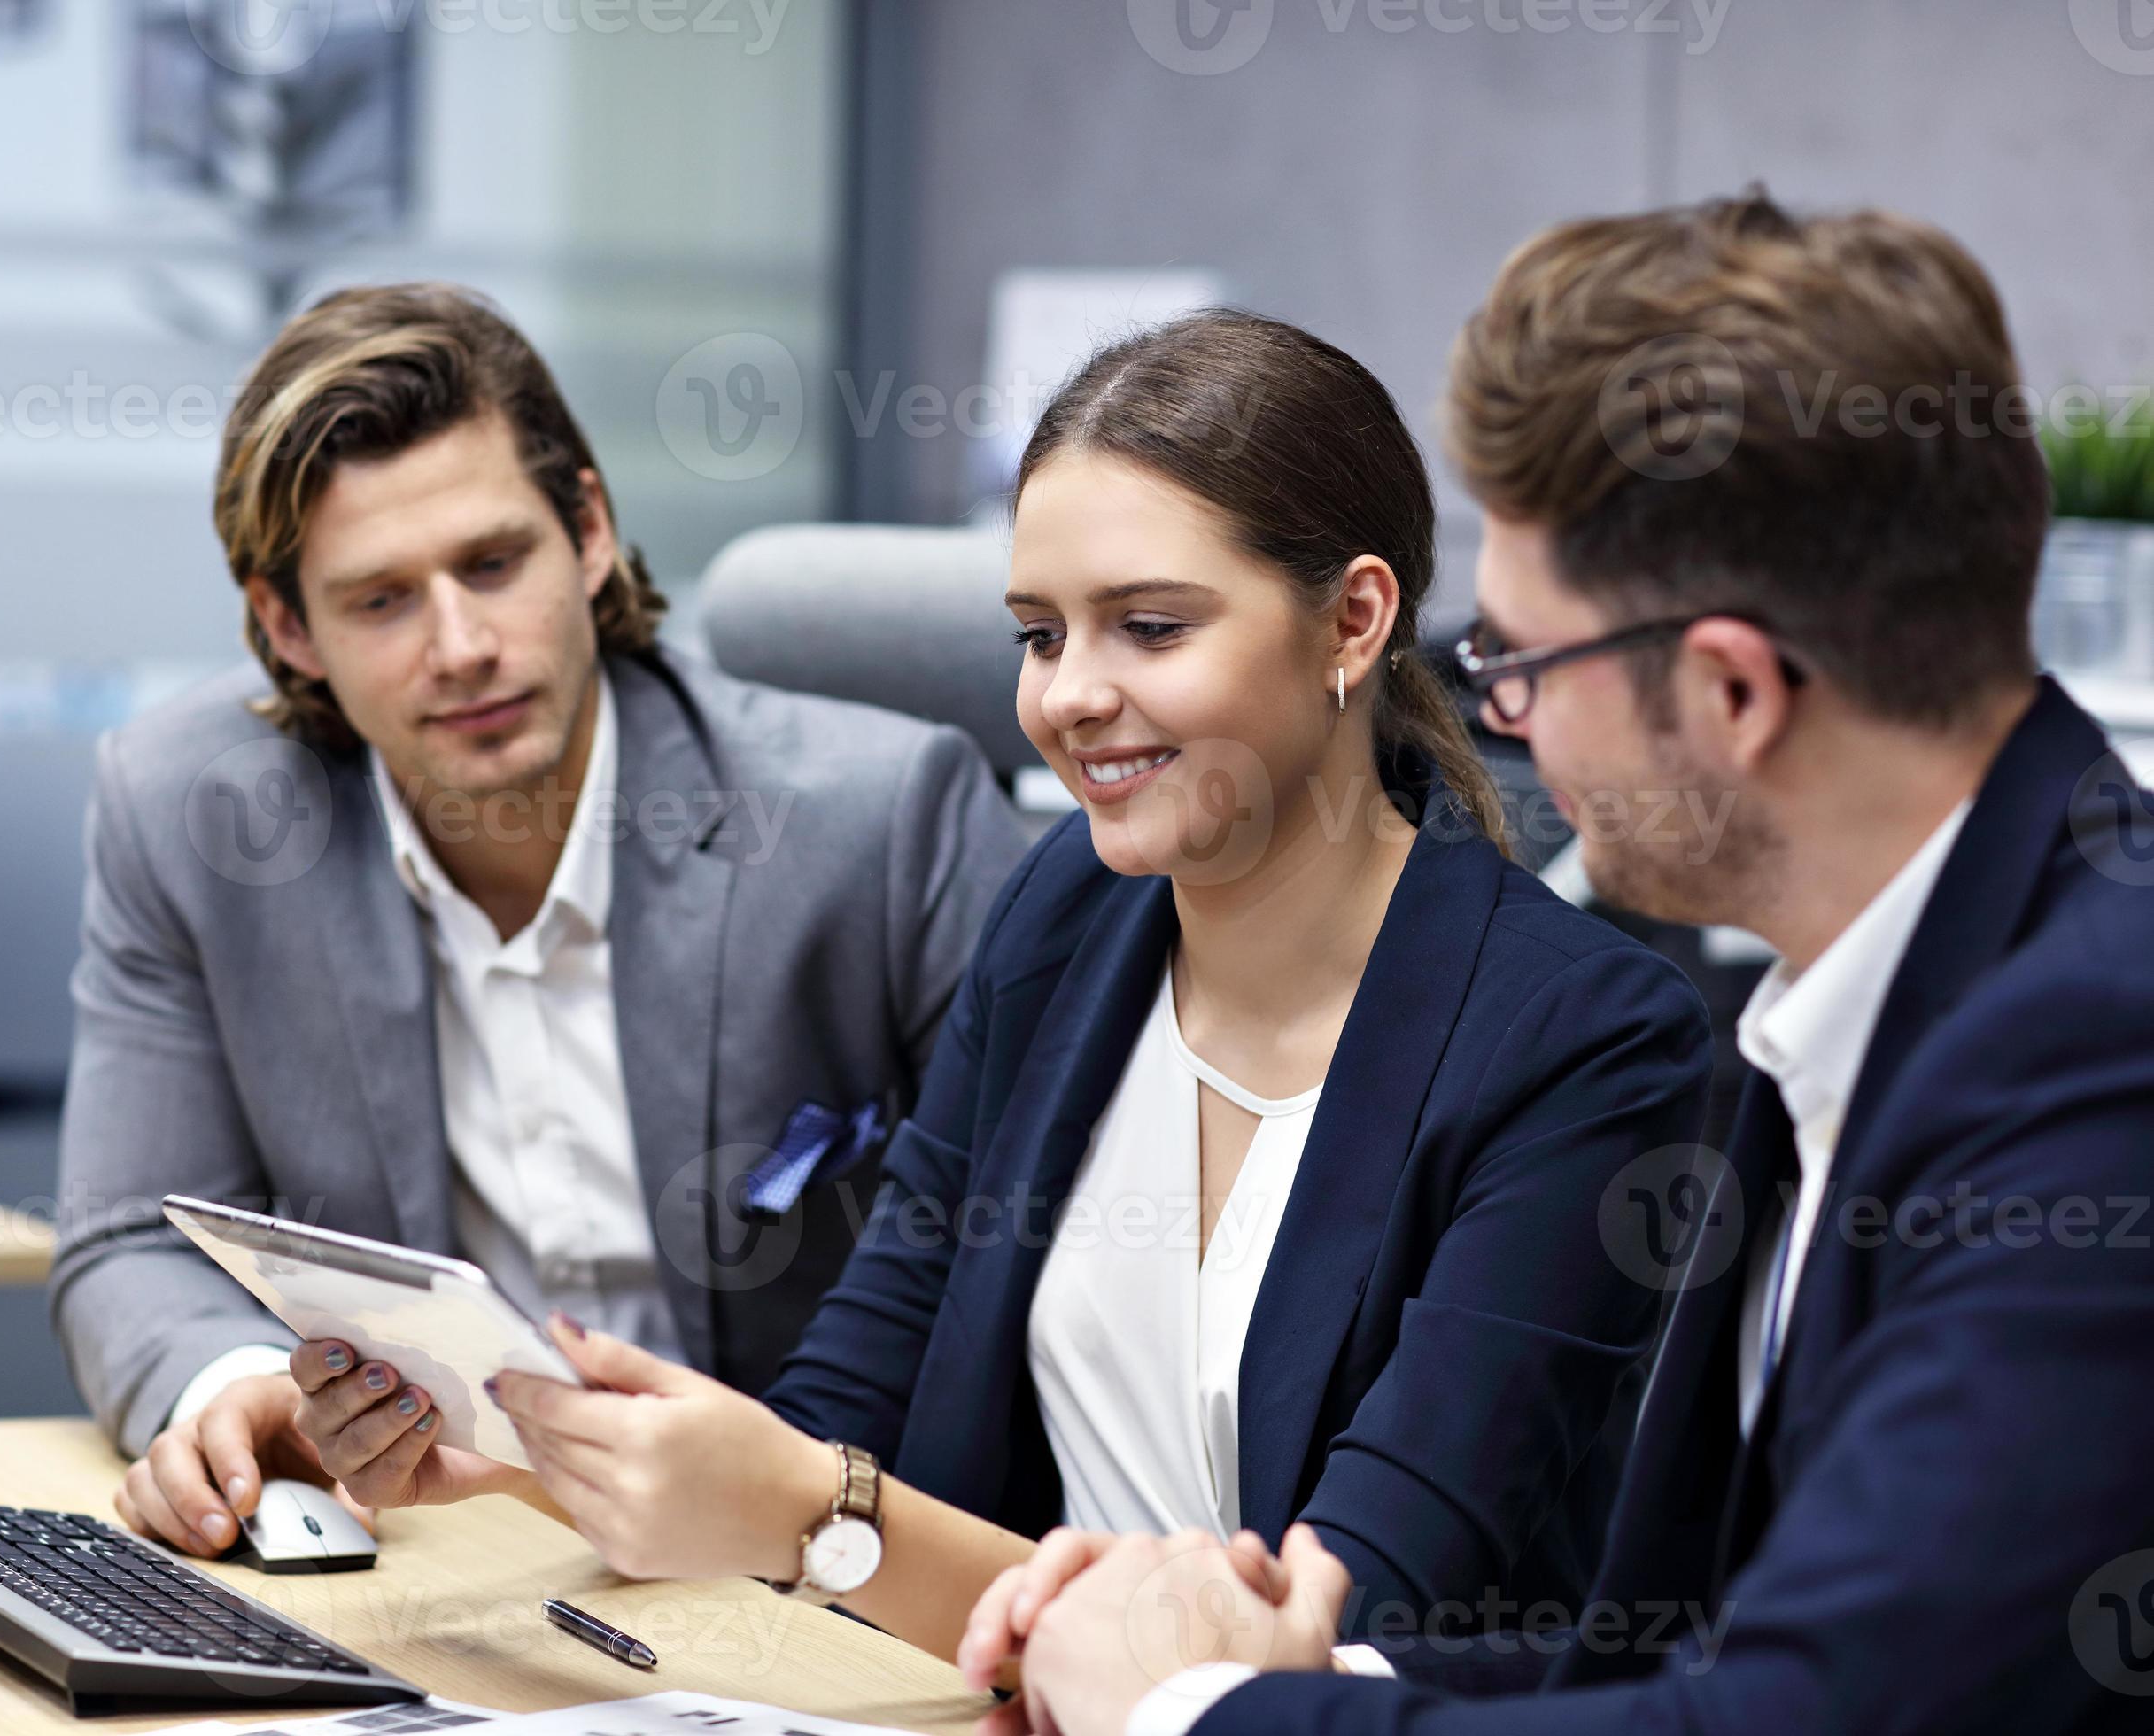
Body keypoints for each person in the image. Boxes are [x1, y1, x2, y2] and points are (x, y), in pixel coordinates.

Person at [281, 308, 1713, 1664]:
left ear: (1351, 622)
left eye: (1150, 627)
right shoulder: (1065, 918)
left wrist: (805, 1512)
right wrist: (521, 1468)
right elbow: (851, 1411)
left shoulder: (1583, 1041)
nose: (1067, 696)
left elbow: (1340, 1631)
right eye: (1040, 634)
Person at [986, 193, 2154, 1736]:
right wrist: (1318, 1679)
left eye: (1522, 663)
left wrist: (1195, 1712)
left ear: (1732, 691)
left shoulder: (2095, 1063)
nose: (1505, 726)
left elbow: (1826, 1717)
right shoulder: (1867, 1001)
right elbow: (1700, 1654)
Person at [48, 283, 1028, 1555]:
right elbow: (126, 1237)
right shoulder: (192, 819)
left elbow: (1033, 1272)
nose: (460, 646)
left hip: (814, 1560)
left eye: (494, 565)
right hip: (446, 1563)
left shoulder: (879, 823)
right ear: (289, 629)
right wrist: (237, 1390)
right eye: (381, 600)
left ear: (591, 533)